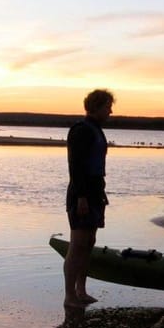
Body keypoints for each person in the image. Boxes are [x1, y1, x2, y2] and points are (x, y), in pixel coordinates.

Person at [63, 89, 114, 307]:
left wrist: (95, 194)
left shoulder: (96, 129)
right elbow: (75, 166)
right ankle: (69, 296)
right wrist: (81, 197)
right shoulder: (81, 130)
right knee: (77, 244)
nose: (110, 112)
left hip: (95, 192)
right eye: (107, 107)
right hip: (81, 194)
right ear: (96, 107)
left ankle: (81, 290)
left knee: (89, 243)